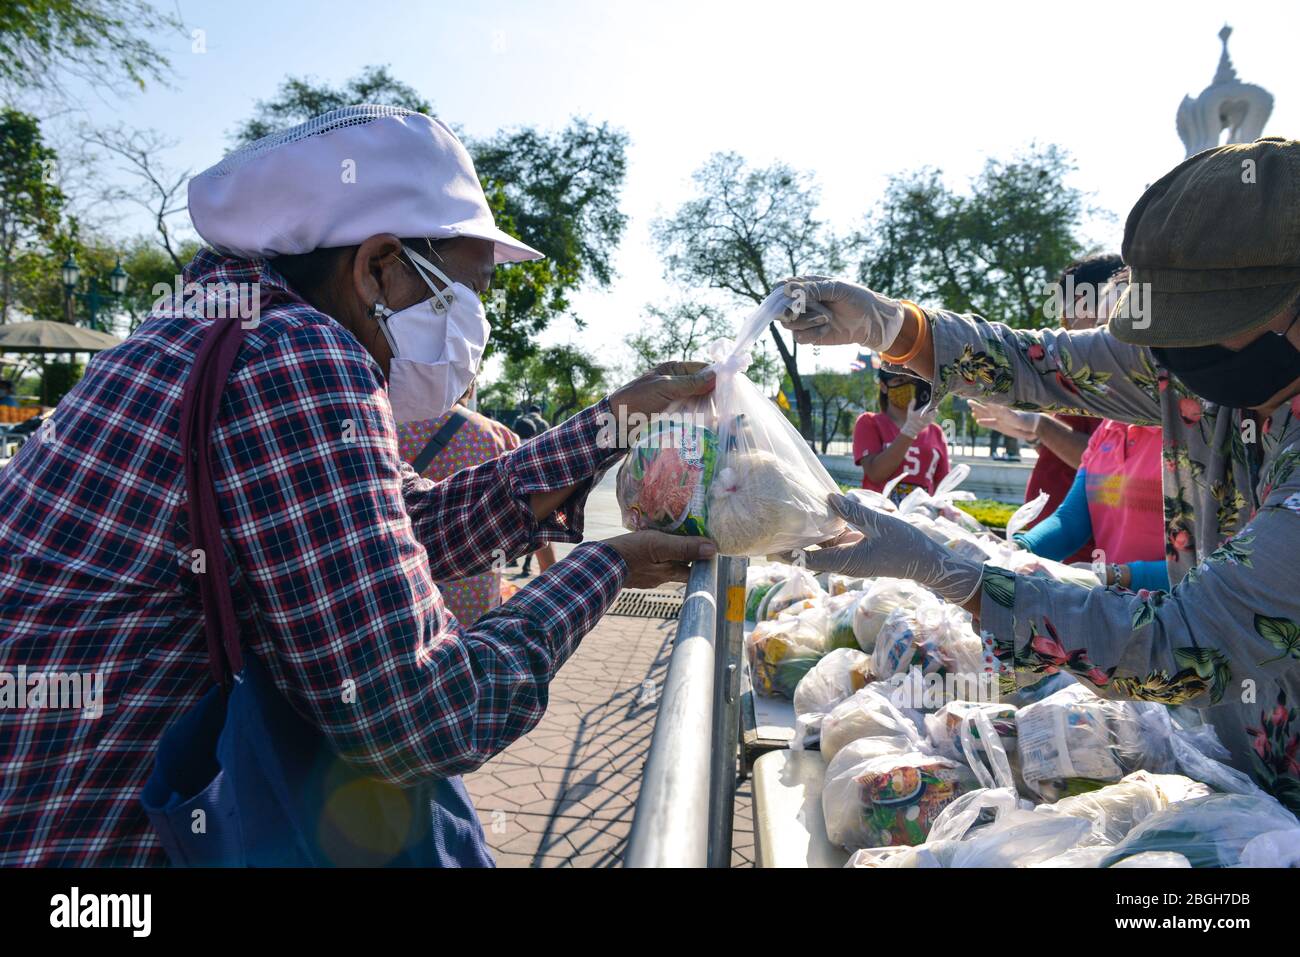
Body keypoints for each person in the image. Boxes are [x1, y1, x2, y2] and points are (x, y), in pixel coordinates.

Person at [0, 107, 716, 866]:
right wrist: (609, 567)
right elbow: (421, 715)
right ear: (378, 265)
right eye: (468, 291)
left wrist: (614, 421)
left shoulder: (209, 327)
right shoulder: (296, 352)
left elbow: (403, 520)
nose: (477, 324)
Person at [777, 137, 1300, 811]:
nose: (1175, 356)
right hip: (1246, 778)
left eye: (1204, 326)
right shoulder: (1199, 370)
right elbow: (1040, 362)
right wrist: (894, 327)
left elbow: (1176, 642)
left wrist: (955, 573)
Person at [972, 255, 1123, 561]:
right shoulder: (1086, 377)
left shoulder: (1133, 397)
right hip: (1064, 559)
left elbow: (1097, 466)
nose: (1064, 327)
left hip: (1089, 562)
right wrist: (1013, 552)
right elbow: (1072, 515)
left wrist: (1039, 425)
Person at [397, 382, 521, 624]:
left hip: (405, 577)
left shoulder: (393, 427)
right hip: (475, 579)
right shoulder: (499, 436)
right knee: (471, 656)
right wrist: (548, 569)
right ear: (471, 388)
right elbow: (530, 508)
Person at [852, 367, 951, 505]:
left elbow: (944, 488)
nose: (909, 387)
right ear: (883, 386)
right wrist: (910, 430)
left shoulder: (936, 432)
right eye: (900, 380)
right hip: (880, 517)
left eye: (914, 381)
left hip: (920, 518)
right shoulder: (869, 422)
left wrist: (946, 508)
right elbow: (875, 474)